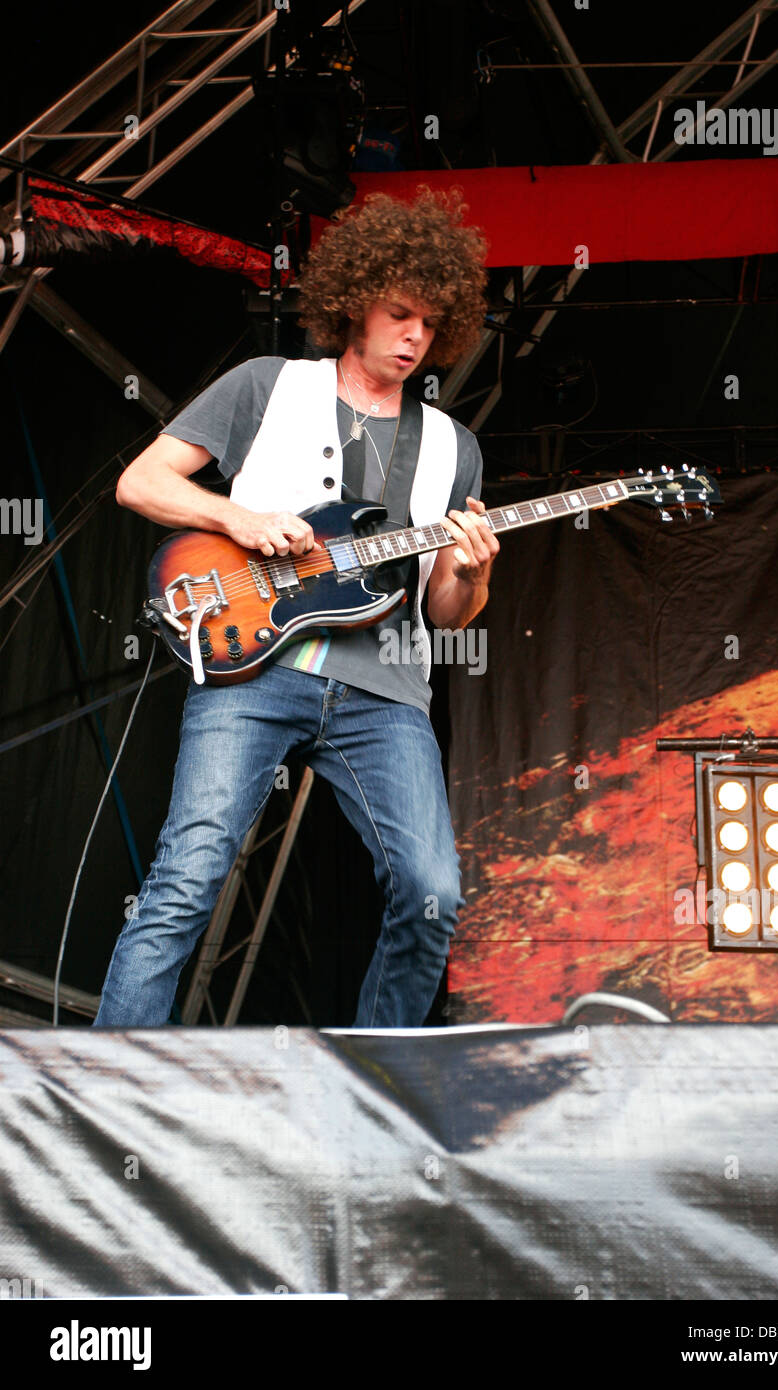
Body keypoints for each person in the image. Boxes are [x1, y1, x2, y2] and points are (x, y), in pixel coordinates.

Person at [93, 187, 498, 1029]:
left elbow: (447, 612)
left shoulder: (454, 446)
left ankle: (374, 1079)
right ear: (357, 301)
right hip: (255, 667)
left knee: (432, 890)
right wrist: (236, 518)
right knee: (186, 878)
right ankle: (112, 1078)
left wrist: (473, 573)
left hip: (384, 696)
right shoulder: (264, 386)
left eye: (430, 324)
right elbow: (141, 483)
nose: (414, 337)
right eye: (399, 314)